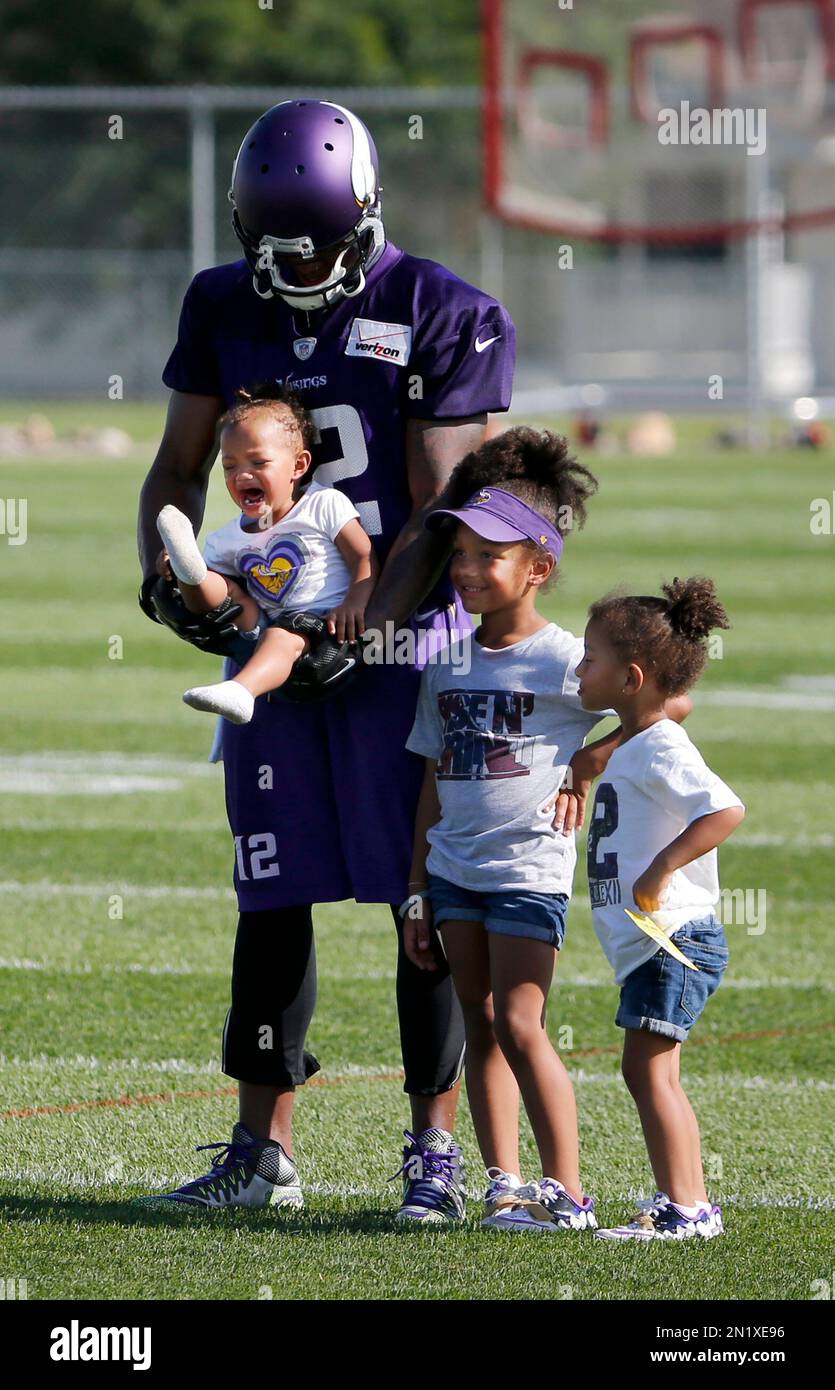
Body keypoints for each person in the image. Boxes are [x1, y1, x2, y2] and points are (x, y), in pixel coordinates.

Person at [136, 97, 527, 1218]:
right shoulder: (222, 301)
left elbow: (447, 504)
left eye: (317, 246)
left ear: (365, 215)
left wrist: (365, 626)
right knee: (273, 894)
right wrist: (176, 594)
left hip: (403, 648)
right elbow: (172, 474)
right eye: (278, 250)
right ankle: (262, 1154)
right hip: (277, 643)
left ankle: (431, 1155)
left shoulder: (439, 308)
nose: (297, 270)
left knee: (425, 901)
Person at [402, 427, 618, 1232]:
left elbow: (662, 705)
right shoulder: (445, 661)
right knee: (480, 1023)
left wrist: (587, 765)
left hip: (528, 869)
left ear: (538, 568)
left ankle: (564, 1193)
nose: (465, 571)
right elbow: (430, 774)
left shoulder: (568, 661)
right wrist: (418, 887)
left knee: (522, 1023)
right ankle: (506, 1185)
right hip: (453, 873)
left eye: (486, 558)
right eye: (458, 555)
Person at [575, 579, 744, 1241]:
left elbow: (725, 809)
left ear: (630, 677)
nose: (578, 670)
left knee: (646, 1072)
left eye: (589, 659)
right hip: (655, 941)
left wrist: (660, 868)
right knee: (652, 1072)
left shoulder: (660, 747)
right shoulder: (639, 736)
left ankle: (687, 1207)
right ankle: (682, 1201)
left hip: (672, 936)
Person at [156, 385, 376, 724]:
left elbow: (362, 556)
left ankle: (241, 691)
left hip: (318, 624)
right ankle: (189, 571)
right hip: (263, 620)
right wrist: (176, 571)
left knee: (282, 635)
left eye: (259, 462)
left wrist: (356, 601)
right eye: (229, 467)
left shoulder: (322, 504)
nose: (242, 475)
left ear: (299, 465)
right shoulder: (229, 536)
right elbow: (226, 598)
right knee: (226, 593)